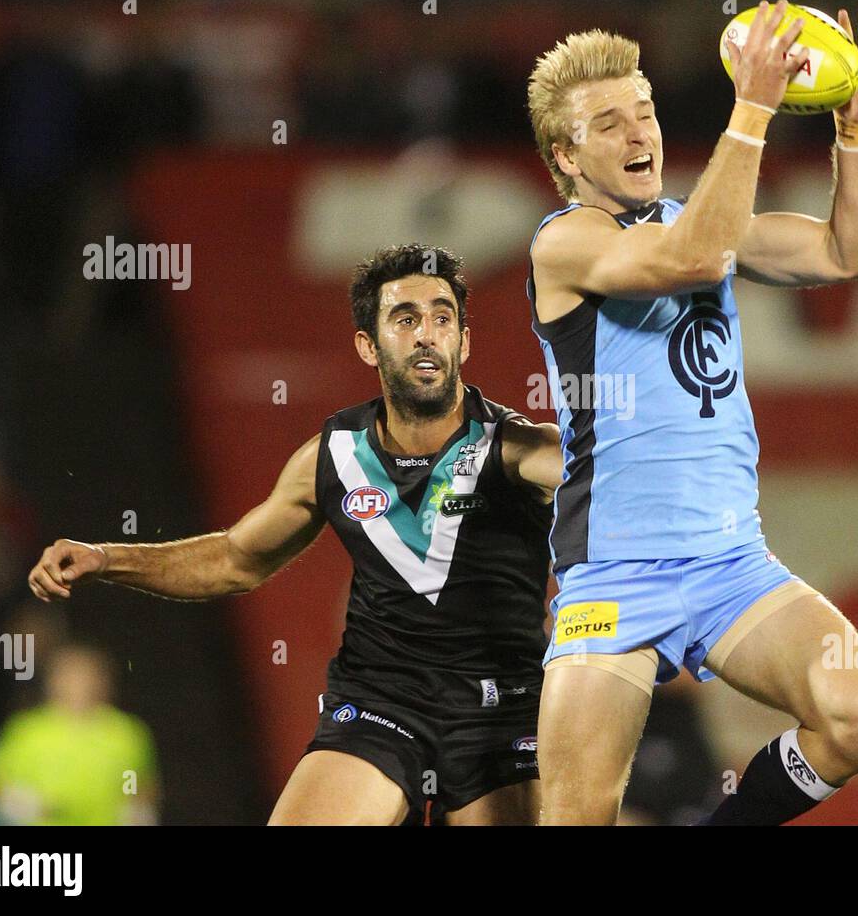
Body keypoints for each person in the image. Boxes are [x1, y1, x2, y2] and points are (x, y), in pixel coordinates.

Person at [28, 244, 563, 825]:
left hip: (502, 712)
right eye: (405, 319)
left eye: (442, 317)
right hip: (381, 706)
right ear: (368, 345)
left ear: (464, 341)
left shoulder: (521, 450)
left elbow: (631, 486)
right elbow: (236, 559)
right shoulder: (333, 457)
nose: (427, 334)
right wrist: (106, 558)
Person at [524, 1, 858, 824]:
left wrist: (854, 133)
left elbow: (851, 251)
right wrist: (755, 108)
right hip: (616, 573)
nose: (638, 136)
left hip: (729, 562)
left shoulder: (699, 220)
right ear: (566, 154)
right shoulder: (564, 242)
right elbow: (689, 257)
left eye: (647, 113)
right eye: (609, 123)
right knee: (576, 814)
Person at [0, 644, 159, 825]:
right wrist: (23, 804)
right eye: (69, 675)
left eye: (86, 675)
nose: (78, 684)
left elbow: (141, 785)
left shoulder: (127, 734)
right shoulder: (25, 731)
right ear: (52, 680)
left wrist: (136, 813)